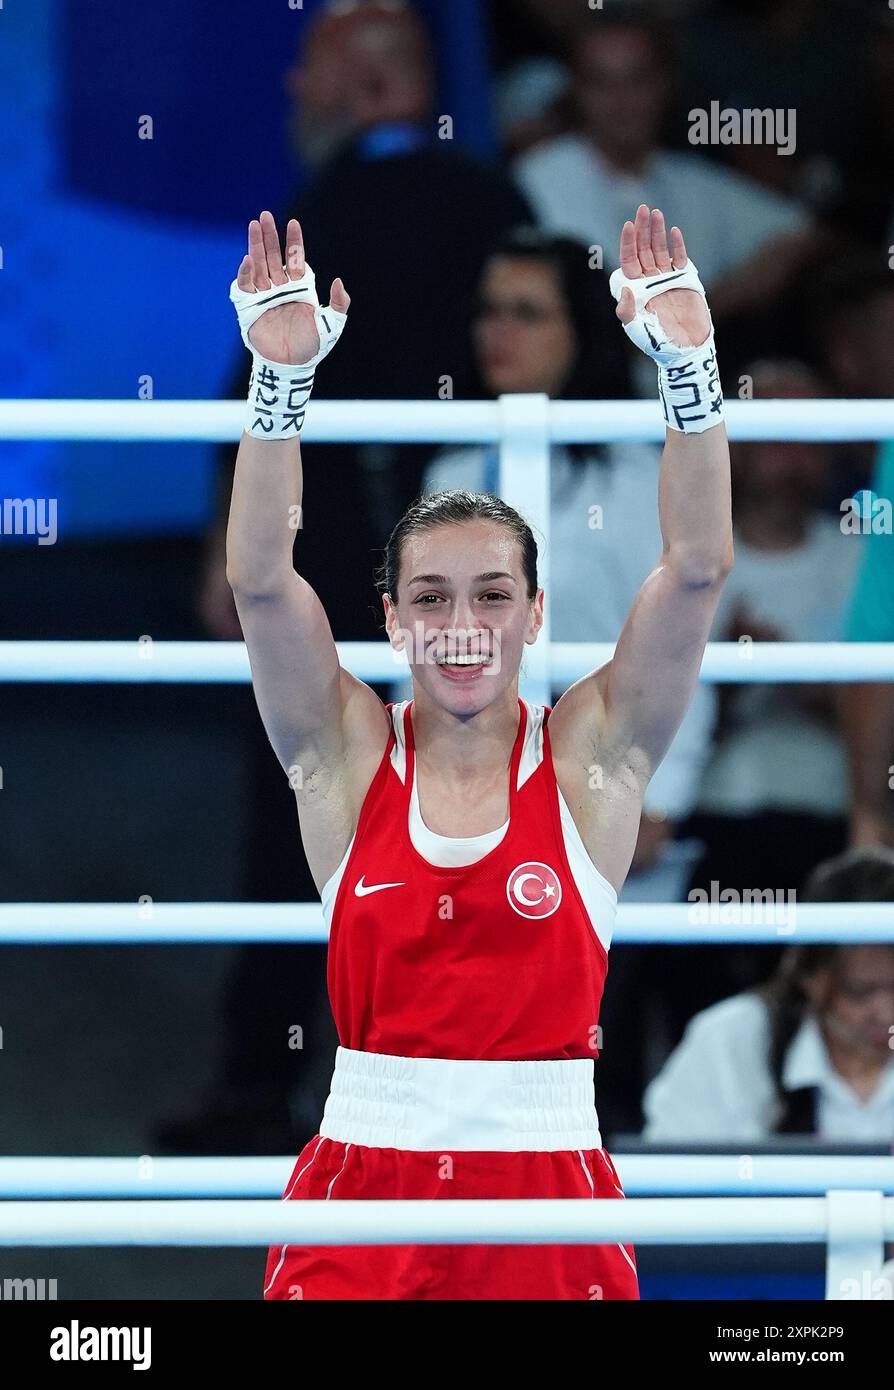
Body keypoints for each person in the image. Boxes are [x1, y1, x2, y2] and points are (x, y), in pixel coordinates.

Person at [227, 204, 732, 1300]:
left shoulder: (594, 755)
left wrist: (690, 371)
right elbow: (262, 582)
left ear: (535, 614)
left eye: (492, 594)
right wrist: (280, 394)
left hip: (547, 1184)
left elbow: (695, 568)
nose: (463, 623)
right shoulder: (347, 755)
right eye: (431, 597)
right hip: (363, 1181)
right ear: (392, 620)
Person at [643, 846, 894, 1143]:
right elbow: (672, 1172)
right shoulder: (729, 1040)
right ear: (810, 977)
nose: (887, 1012)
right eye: (860, 992)